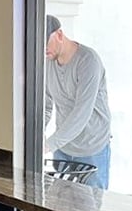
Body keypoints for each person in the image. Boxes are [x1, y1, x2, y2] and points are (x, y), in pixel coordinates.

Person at [44, 15, 112, 190]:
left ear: (59, 34)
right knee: (60, 207)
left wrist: (49, 144)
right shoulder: (48, 61)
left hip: (92, 148)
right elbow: (45, 105)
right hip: (64, 148)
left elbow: (82, 113)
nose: (43, 49)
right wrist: (36, 135)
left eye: (46, 43)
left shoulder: (88, 61)